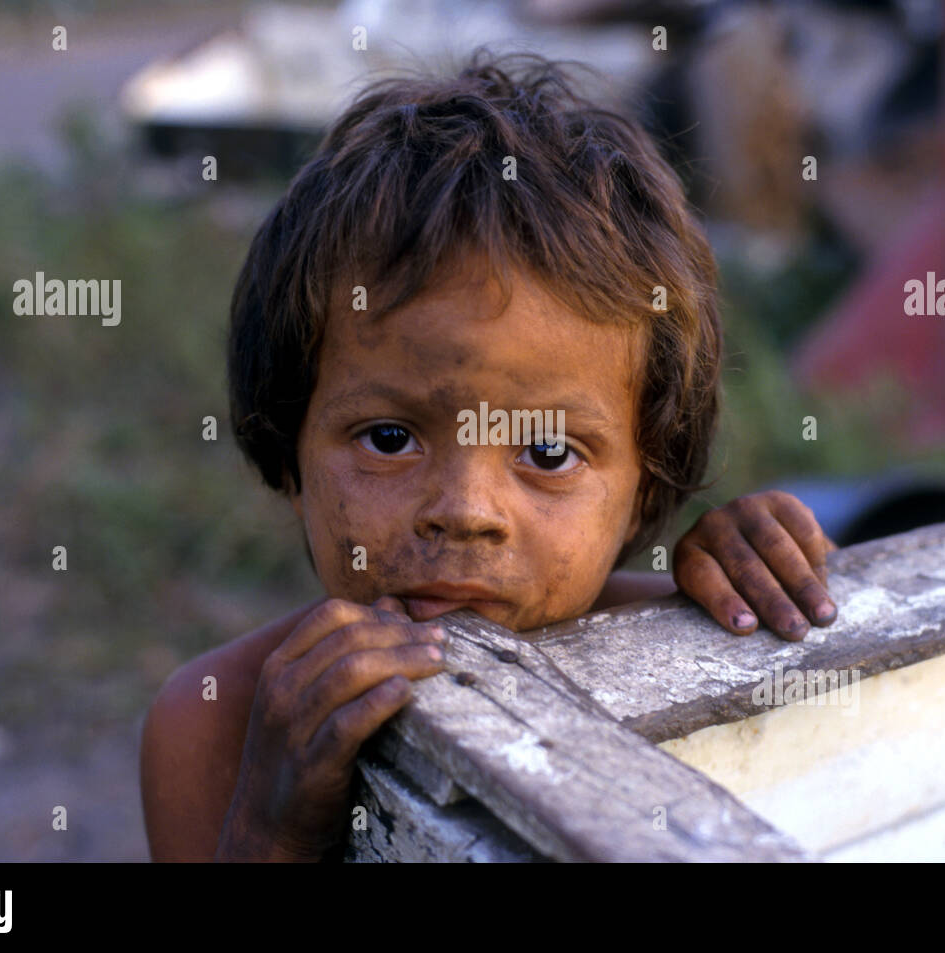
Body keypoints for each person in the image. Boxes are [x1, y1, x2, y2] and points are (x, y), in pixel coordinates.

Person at [140, 49, 838, 862]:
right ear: (287, 448)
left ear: (648, 484)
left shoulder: (696, 654)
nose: (466, 510)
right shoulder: (214, 723)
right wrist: (272, 829)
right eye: (390, 438)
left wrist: (759, 568)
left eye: (547, 450)